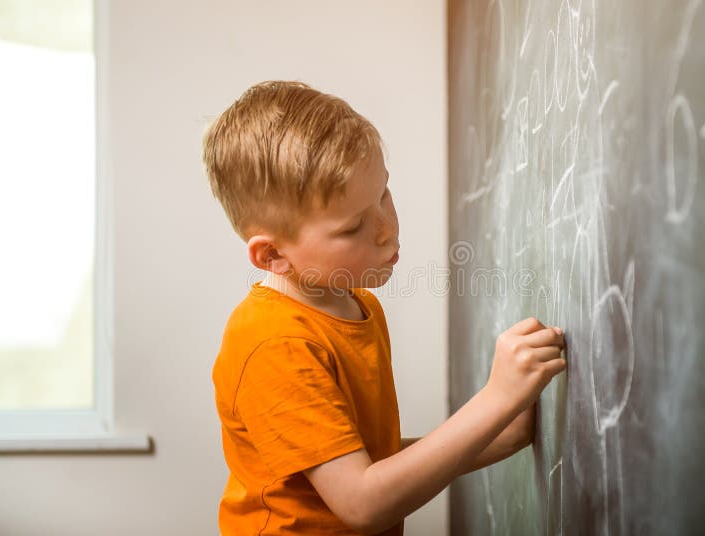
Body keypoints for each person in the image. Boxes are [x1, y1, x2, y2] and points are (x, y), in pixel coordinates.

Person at [202, 80, 567, 535]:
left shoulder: (357, 304)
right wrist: (494, 399)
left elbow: (371, 461)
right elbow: (362, 501)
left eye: (384, 196)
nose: (386, 231)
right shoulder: (275, 344)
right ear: (273, 255)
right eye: (353, 226)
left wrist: (504, 431)